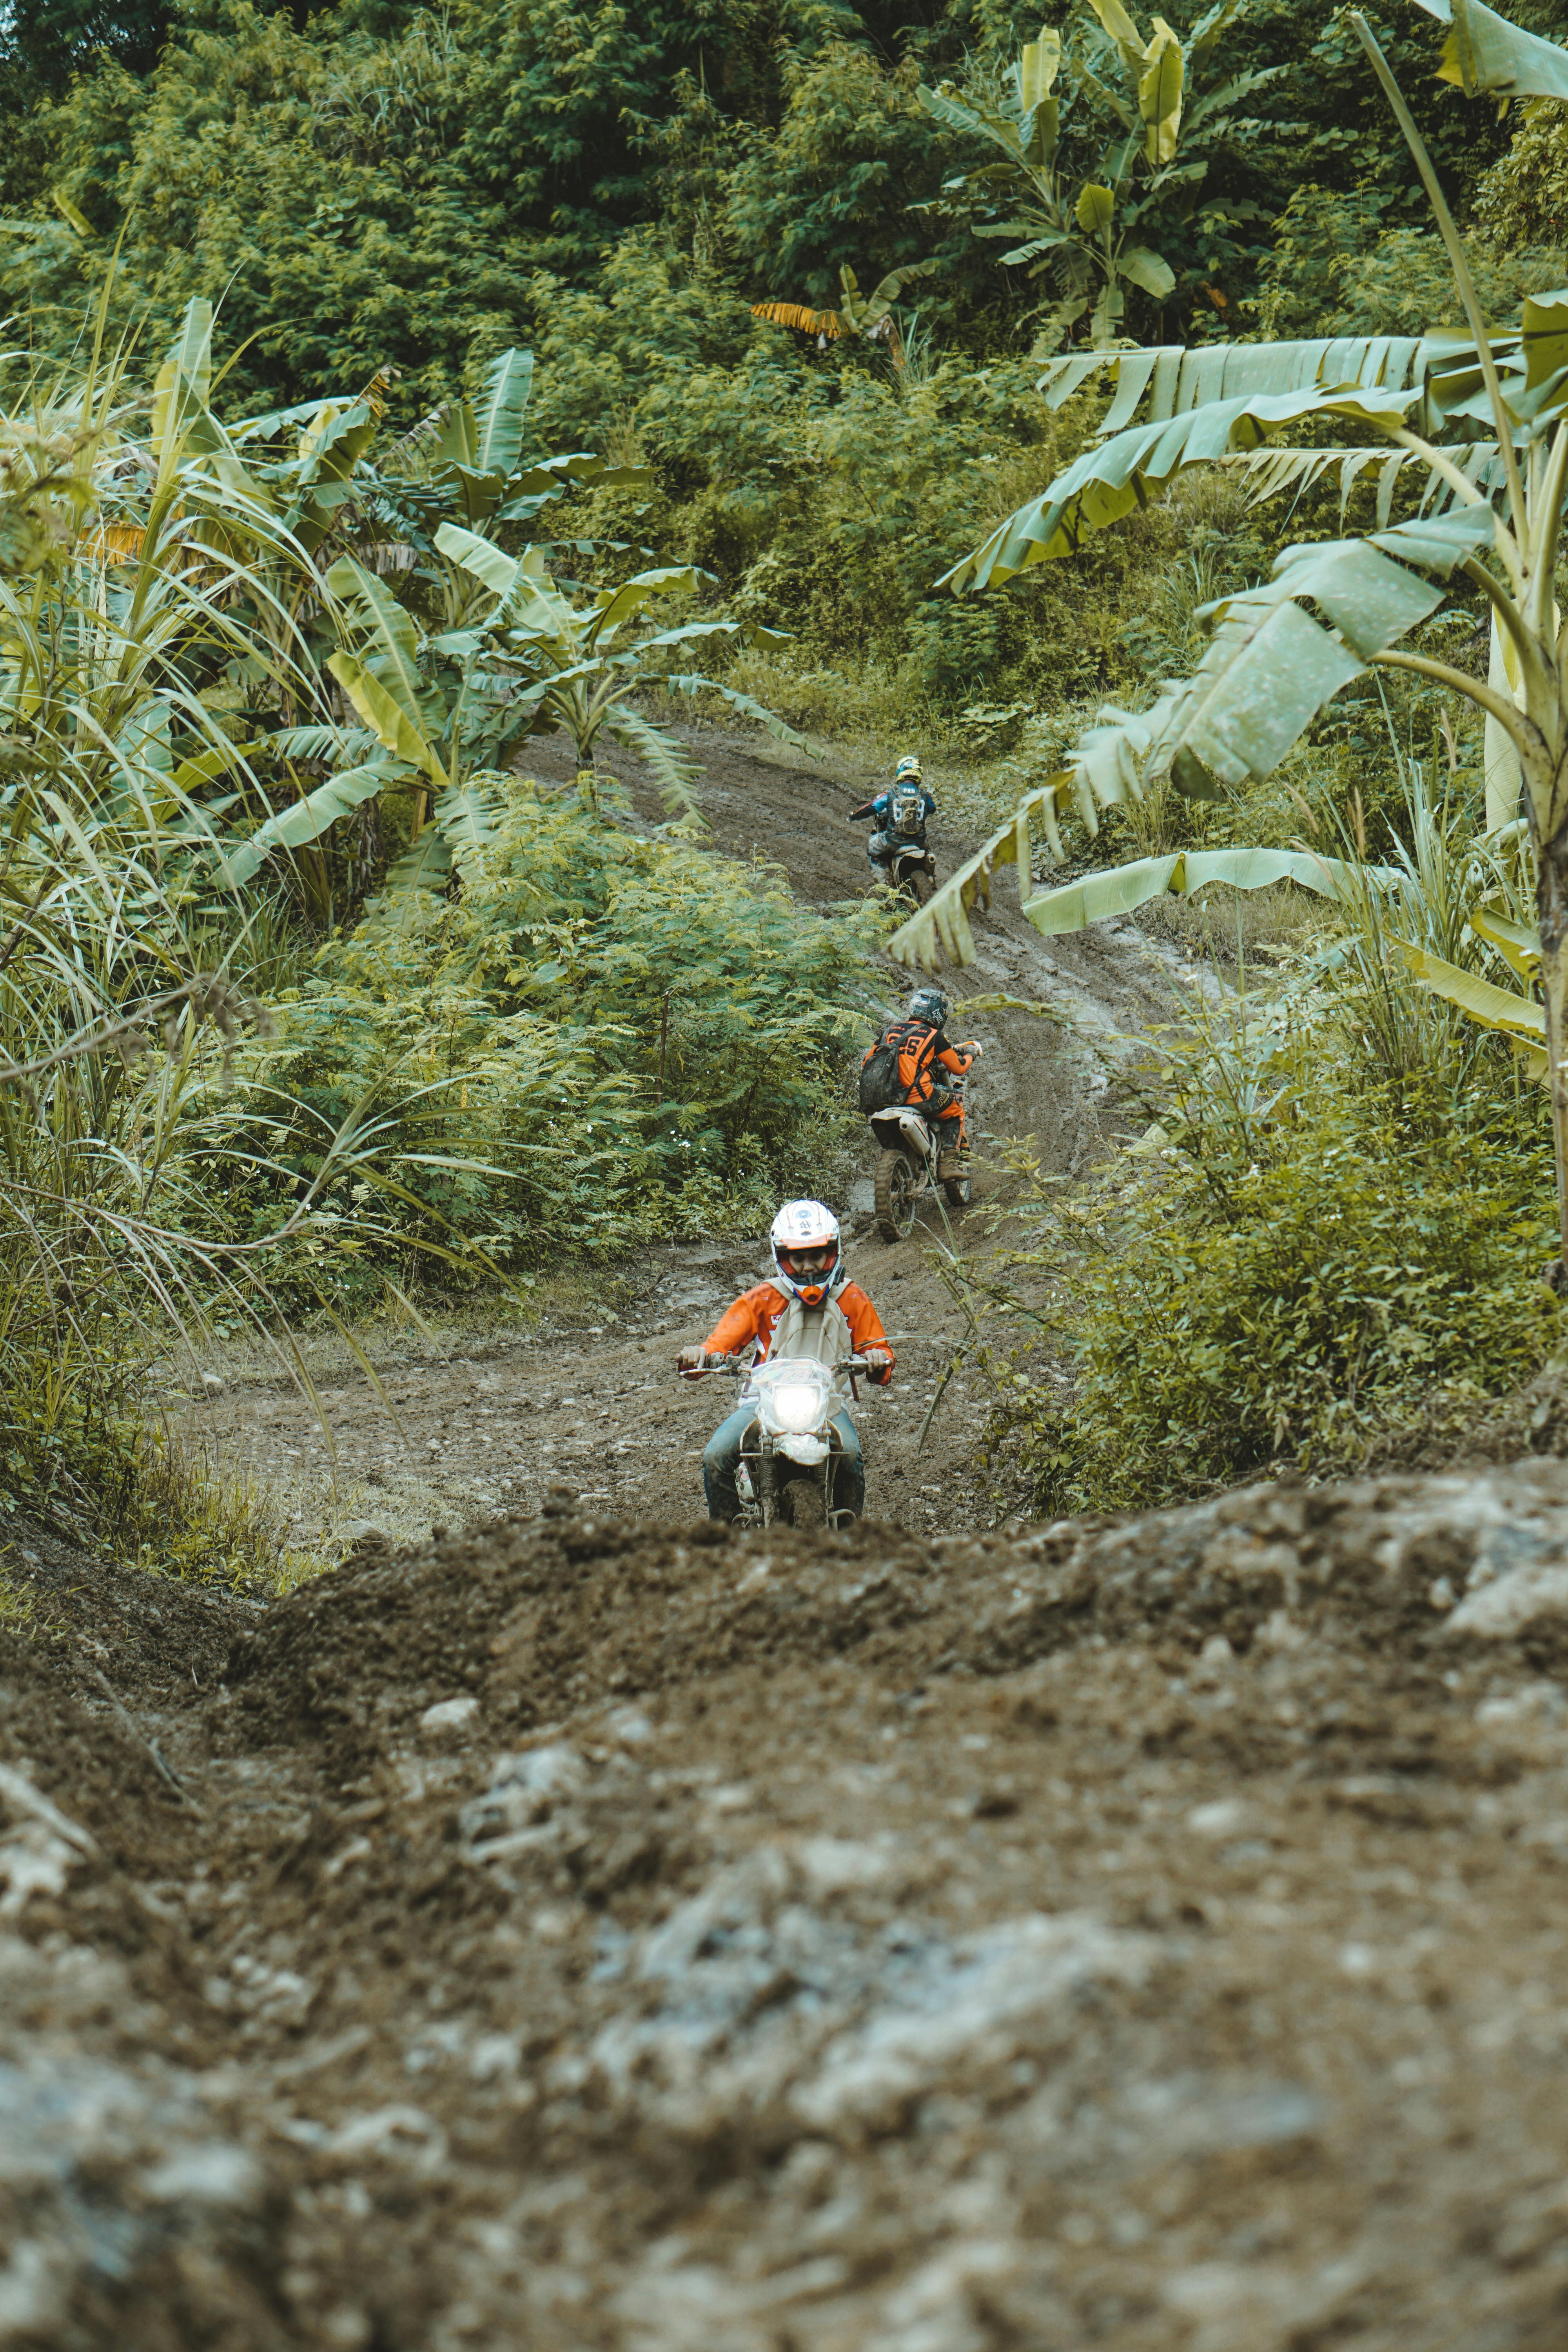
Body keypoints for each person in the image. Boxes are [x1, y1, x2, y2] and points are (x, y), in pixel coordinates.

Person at [677, 1199, 894, 1524]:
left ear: (832, 1253)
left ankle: (851, 1543)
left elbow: (880, 1353)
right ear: (783, 1258)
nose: (808, 1267)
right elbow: (719, 1344)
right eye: (798, 1257)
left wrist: (877, 1360)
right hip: (762, 1401)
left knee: (850, 1457)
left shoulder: (851, 1297)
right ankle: (724, 1545)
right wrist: (701, 1356)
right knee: (716, 1456)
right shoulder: (763, 1297)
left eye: (816, 1255)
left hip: (828, 1405)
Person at [896, 986, 980, 1172]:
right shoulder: (934, 1036)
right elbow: (958, 1069)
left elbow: (867, 1062)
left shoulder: (891, 1032)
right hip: (917, 1096)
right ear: (938, 1014)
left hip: (884, 1097)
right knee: (956, 1110)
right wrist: (971, 1055)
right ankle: (948, 1165)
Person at [849, 753, 937, 885]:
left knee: (873, 850)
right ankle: (931, 880)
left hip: (893, 841)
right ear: (919, 773)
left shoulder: (891, 793)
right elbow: (932, 809)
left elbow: (873, 807)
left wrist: (854, 816)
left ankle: (886, 888)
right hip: (919, 842)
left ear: (901, 771)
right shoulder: (925, 795)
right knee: (928, 853)